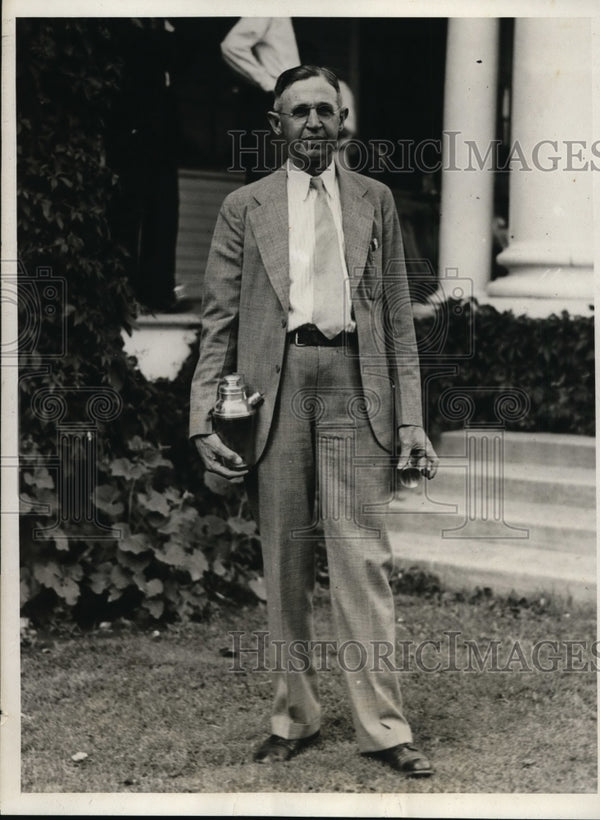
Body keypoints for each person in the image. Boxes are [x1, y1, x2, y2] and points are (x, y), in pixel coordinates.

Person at [189, 65, 439, 776]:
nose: (314, 123)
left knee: (365, 559)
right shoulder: (246, 206)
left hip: (357, 386)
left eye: (325, 110)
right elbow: (219, 322)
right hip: (278, 388)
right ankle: (292, 716)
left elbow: (396, 318)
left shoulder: (376, 201)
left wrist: (413, 420)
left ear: (342, 119)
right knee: (286, 561)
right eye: (299, 112)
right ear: (277, 124)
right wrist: (205, 419)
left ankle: (385, 728)